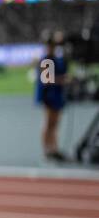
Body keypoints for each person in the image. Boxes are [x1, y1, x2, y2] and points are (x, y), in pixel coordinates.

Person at [37, 29, 69, 161]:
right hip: (48, 95)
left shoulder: (57, 59)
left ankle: (54, 148)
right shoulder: (46, 60)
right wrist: (63, 79)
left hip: (56, 94)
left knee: (55, 123)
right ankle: (46, 149)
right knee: (48, 122)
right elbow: (47, 79)